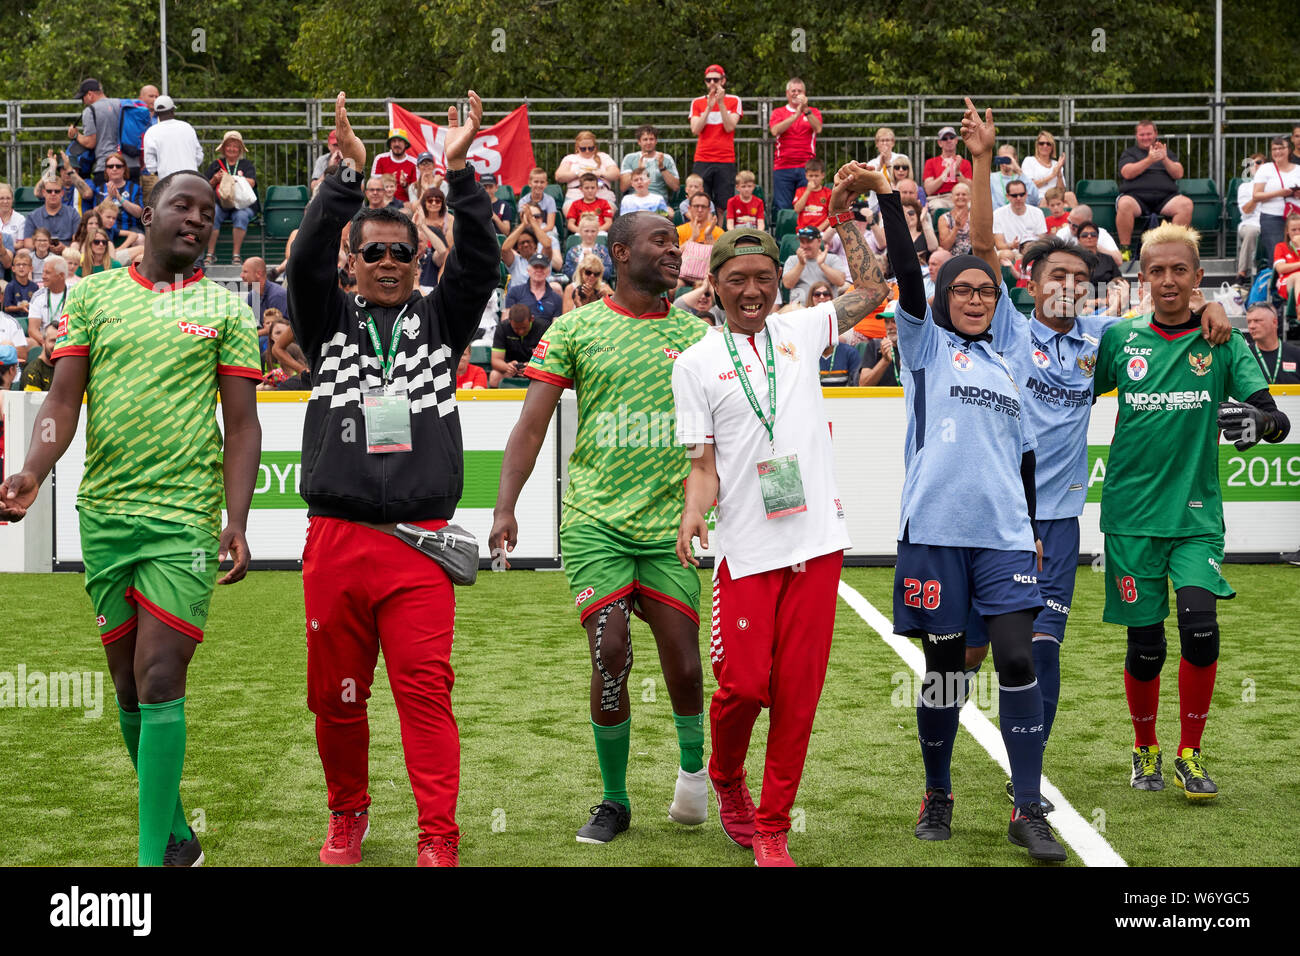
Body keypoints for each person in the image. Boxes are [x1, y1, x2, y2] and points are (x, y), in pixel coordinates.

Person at [0, 165, 263, 867]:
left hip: (183, 517)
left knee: (158, 679)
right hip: (105, 515)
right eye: (184, 205)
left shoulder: (227, 312)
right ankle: (175, 832)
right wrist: (32, 468)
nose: (199, 220)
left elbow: (242, 427)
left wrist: (235, 518)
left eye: (209, 213)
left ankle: (151, 866)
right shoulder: (91, 298)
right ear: (146, 213)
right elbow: (60, 402)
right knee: (125, 687)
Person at [286, 90, 498, 868]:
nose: (384, 263)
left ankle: (438, 837)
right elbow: (305, 258)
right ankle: (348, 814)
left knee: (425, 695)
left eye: (399, 253)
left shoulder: (443, 320)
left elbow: (483, 259)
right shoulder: (326, 319)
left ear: (419, 262)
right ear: (352, 261)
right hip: (336, 538)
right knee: (335, 701)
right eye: (369, 252)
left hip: (420, 542)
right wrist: (345, 174)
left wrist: (458, 172)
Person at [964, 233, 1229, 810]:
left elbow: (1168, 319)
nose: (1067, 287)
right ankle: (938, 768)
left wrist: (1212, 306)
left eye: (1078, 280)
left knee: (1041, 650)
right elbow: (983, 246)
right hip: (996, 513)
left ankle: (1025, 778)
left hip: (1058, 520)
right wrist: (981, 160)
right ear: (1030, 282)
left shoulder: (1102, 335)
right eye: (1055, 276)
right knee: (965, 654)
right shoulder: (1009, 328)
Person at [672, 166, 890, 866]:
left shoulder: (802, 327)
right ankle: (727, 774)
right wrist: (692, 515)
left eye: (765, 277)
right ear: (717, 286)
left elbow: (872, 291)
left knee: (796, 696)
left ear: (778, 281)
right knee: (742, 688)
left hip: (818, 542)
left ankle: (771, 825)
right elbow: (702, 465)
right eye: (738, 278)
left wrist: (843, 216)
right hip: (746, 548)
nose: (752, 290)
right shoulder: (698, 362)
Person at [882, 97, 1067, 862]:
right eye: (963, 289)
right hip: (933, 533)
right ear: (944, 297)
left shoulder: (1009, 354)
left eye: (985, 292)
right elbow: (907, 273)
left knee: (1018, 658)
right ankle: (938, 789)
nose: (974, 298)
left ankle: (1027, 807)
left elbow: (1023, 460)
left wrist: (1028, 526)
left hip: (1001, 536)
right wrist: (895, 204)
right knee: (948, 669)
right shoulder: (924, 348)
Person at [491, 211, 713, 847]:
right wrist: (506, 505)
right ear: (619, 252)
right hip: (596, 520)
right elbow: (532, 426)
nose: (676, 252)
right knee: (609, 651)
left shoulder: (697, 333)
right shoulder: (576, 328)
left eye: (677, 243)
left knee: (685, 665)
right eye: (662, 242)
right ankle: (614, 800)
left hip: (671, 520)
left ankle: (692, 777)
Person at [1093, 223, 1290, 800]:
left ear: (1198, 278)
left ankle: (1190, 753)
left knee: (1201, 632)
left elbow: (1274, 420)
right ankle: (1144, 748)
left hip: (1196, 517)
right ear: (1142, 278)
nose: (1169, 280)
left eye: (1181, 270)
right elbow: (1067, 394)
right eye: (1157, 270)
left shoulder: (1221, 341)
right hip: (1130, 517)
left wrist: (1259, 423)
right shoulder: (1120, 341)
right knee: (1147, 646)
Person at [1115, 120, 1193, 254]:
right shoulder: (1130, 153)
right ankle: (1125, 250)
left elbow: (1178, 173)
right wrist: (1150, 160)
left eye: (1149, 134)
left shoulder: (1166, 152)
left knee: (1186, 204)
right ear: (1136, 136)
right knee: (1124, 203)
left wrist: (1164, 158)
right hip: (1136, 198)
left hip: (1165, 198)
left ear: (1155, 134)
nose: (1145, 137)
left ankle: (1172, 249)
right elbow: (1126, 173)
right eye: (1142, 135)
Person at [689, 65, 743, 213]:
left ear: (723, 81)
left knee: (722, 204)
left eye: (716, 79)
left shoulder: (734, 100)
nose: (712, 83)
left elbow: (729, 126)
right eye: (708, 80)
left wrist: (720, 103)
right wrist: (708, 107)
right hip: (703, 157)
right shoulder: (697, 102)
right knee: (700, 200)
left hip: (725, 159)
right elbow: (695, 129)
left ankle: (719, 234)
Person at [768, 78, 823, 213]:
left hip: (806, 168)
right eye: (793, 91)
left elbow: (818, 128)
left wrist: (805, 110)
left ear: (804, 94)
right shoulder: (778, 112)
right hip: (783, 167)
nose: (796, 93)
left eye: (799, 91)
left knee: (807, 207)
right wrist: (795, 115)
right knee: (784, 209)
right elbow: (775, 130)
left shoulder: (813, 111)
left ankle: (805, 234)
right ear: (787, 93)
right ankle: (784, 235)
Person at [203, 131, 258, 265]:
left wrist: (234, 178)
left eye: (235, 146)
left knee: (242, 216)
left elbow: (252, 183)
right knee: (212, 214)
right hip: (220, 204)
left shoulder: (246, 165)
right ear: (223, 148)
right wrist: (215, 179)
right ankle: (210, 254)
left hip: (242, 205)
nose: (232, 149)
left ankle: (236, 255)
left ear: (240, 150)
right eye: (229, 146)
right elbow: (205, 186)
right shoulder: (216, 165)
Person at [1253, 137, 1300, 277]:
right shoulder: (1265, 169)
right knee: (1277, 253)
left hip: (1296, 217)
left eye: (1281, 148)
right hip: (1272, 217)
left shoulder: (1298, 169)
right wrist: (1279, 193)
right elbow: (1256, 195)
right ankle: (1276, 292)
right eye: (1274, 149)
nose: (1277, 152)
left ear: (1289, 150)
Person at [141, 95, 203, 192]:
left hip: (168, 184)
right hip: (192, 180)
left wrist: (159, 171)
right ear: (172, 110)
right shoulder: (187, 127)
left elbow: (150, 165)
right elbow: (199, 155)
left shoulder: (151, 132)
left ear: (156, 113)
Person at [68, 79, 122, 185]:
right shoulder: (120, 104)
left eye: (83, 98)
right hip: (125, 166)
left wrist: (76, 135)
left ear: (90, 94)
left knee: (105, 201)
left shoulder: (90, 111)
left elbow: (90, 142)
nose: (83, 102)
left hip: (105, 166)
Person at [557, 132, 620, 213]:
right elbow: (559, 176)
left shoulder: (604, 157)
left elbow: (616, 174)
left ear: (595, 147)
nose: (587, 151)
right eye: (583, 149)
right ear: (577, 147)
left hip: (602, 194)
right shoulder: (570, 158)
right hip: (576, 196)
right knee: (572, 212)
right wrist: (577, 173)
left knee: (605, 213)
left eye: (590, 148)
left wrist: (600, 174)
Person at [783, 226, 847, 304]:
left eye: (809, 242)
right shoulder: (792, 260)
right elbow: (787, 284)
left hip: (826, 309)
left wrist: (822, 265)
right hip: (800, 309)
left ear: (819, 241)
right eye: (802, 242)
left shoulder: (832, 259)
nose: (805, 246)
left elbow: (840, 282)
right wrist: (801, 264)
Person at [490, 303, 549, 386]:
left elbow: (550, 359)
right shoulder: (502, 327)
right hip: (511, 371)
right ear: (510, 321)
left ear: (531, 319)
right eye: (516, 328)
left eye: (524, 327)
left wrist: (532, 367)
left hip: (536, 371)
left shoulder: (544, 328)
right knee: (494, 376)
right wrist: (507, 367)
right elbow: (496, 360)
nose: (520, 331)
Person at [1245, 302, 1300, 384]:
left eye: (1257, 321)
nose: (1252, 326)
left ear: (1274, 322)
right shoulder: (1245, 356)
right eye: (1249, 322)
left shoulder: (1296, 354)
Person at [993, 180, 1049, 262]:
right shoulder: (998, 214)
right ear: (1007, 196)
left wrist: (1028, 247)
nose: (1018, 198)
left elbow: (1042, 240)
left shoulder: (1037, 212)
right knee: (1007, 254)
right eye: (1014, 195)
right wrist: (1012, 245)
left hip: (1032, 250)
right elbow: (999, 245)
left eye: (1021, 195)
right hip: (1010, 251)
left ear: (1026, 194)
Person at [619, 126, 680, 201]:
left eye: (651, 139)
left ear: (656, 141)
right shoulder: (629, 158)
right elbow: (623, 187)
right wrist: (639, 170)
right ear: (639, 142)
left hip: (659, 202)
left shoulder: (666, 158)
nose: (648, 142)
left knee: (670, 213)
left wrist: (662, 168)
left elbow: (676, 187)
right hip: (636, 202)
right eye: (645, 139)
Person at [502, 208, 560, 285]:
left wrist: (531, 220)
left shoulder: (542, 259)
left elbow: (547, 245)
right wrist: (523, 224)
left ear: (536, 245)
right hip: (518, 296)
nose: (525, 245)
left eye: (528, 242)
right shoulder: (515, 262)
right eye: (522, 243)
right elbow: (505, 249)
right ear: (517, 248)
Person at [922, 126, 972, 212]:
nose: (949, 140)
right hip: (939, 198)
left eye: (951, 138)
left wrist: (957, 172)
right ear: (939, 143)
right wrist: (947, 170)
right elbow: (929, 190)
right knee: (937, 207)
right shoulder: (931, 162)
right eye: (945, 138)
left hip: (961, 197)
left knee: (973, 207)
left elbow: (970, 188)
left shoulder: (965, 163)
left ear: (956, 140)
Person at [1021, 131, 1077, 208]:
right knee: (1061, 205)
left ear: (1052, 147)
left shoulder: (1056, 164)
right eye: (1041, 143)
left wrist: (1059, 174)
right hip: (1038, 198)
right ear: (1037, 145)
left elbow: (1061, 191)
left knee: (1070, 196)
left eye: (1048, 144)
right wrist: (1052, 176)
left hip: (1056, 197)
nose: (1045, 146)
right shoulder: (1029, 161)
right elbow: (1030, 185)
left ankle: (1077, 219)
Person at [21, 179, 79, 252]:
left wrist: (64, 248)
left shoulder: (73, 214)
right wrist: (45, 247)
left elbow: (77, 240)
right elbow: (28, 243)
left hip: (66, 255)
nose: (53, 194)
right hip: (41, 254)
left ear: (62, 193)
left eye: (57, 191)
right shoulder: (32, 216)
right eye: (49, 191)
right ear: (44, 192)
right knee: (24, 252)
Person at [506, 251, 563, 322]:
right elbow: (506, 320)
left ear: (548, 271)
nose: (539, 270)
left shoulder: (556, 298)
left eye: (542, 267)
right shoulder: (515, 292)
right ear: (528, 270)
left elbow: (556, 326)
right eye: (535, 267)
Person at [26, 255, 70, 346]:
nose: (43, 276)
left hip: (69, 339)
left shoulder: (75, 293)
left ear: (61, 275)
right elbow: (32, 329)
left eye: (47, 273)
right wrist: (47, 342)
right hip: (45, 341)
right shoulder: (38, 296)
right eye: (43, 272)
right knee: (28, 342)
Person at [1236, 155, 1264, 282]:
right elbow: (1245, 211)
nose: (1255, 166)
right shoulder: (1245, 187)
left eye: (1258, 162)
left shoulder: (1275, 184)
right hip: (1250, 222)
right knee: (1252, 231)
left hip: (1270, 222)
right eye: (1252, 164)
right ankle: (1243, 274)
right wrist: (1256, 197)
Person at [371, 128, 419, 204]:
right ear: (390, 144)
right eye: (394, 141)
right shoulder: (380, 159)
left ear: (406, 144)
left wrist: (405, 185)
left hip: (405, 205)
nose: (397, 144)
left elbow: (416, 195)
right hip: (383, 203)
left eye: (400, 141)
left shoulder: (414, 163)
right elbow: (373, 187)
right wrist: (387, 179)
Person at [240, 256, 290, 327]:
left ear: (258, 274)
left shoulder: (277, 295)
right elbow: (244, 322)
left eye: (245, 272)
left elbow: (281, 329)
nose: (241, 275)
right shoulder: (252, 295)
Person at [989, 145, 1040, 209]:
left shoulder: (1022, 178)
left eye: (1007, 159)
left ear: (1015, 158)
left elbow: (1035, 199)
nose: (1004, 163)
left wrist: (1019, 171)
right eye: (1002, 159)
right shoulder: (992, 178)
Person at [859, 311, 902, 386]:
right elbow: (863, 385)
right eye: (886, 322)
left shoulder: (916, 348)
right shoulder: (874, 346)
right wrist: (885, 360)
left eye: (894, 321)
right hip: (882, 397)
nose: (889, 327)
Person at [792, 158, 831, 232]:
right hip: (803, 231)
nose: (813, 179)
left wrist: (818, 230)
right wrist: (808, 191)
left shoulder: (828, 193)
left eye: (816, 176)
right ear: (806, 176)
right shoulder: (800, 191)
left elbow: (831, 216)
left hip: (821, 231)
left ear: (822, 175)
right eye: (811, 176)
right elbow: (797, 209)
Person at [1274, 213, 1300, 321]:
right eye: (1294, 230)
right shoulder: (1281, 247)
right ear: (1287, 231)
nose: (1297, 232)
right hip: (1287, 281)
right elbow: (1280, 268)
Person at [21, 323, 60, 390]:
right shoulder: (33, 372)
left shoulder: (67, 369)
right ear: (43, 342)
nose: (57, 345)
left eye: (60, 341)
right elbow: (34, 400)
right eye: (53, 341)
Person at [937, 183, 972, 256]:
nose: (960, 197)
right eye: (957, 194)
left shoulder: (974, 217)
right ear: (952, 198)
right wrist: (956, 227)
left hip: (972, 255)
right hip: (952, 257)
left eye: (964, 194)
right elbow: (945, 247)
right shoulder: (944, 218)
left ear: (969, 197)